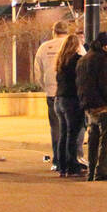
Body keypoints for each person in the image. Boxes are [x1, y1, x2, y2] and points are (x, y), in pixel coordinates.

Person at [76, 33, 107, 182]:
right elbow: (106, 84)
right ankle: (102, 170)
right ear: (105, 46)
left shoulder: (83, 60)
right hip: (103, 105)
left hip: (89, 105)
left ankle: (91, 169)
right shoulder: (102, 60)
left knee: (93, 140)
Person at [32, 21, 72, 170]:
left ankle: (57, 160)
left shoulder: (44, 48)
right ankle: (71, 158)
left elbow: (38, 72)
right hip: (70, 94)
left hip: (52, 93)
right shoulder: (74, 45)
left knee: (56, 128)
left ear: (53, 31)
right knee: (71, 128)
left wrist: (46, 87)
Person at [53, 29, 86, 177]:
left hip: (59, 99)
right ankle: (72, 165)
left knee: (64, 133)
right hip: (72, 100)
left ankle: (62, 165)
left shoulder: (60, 60)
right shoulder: (78, 60)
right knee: (73, 134)